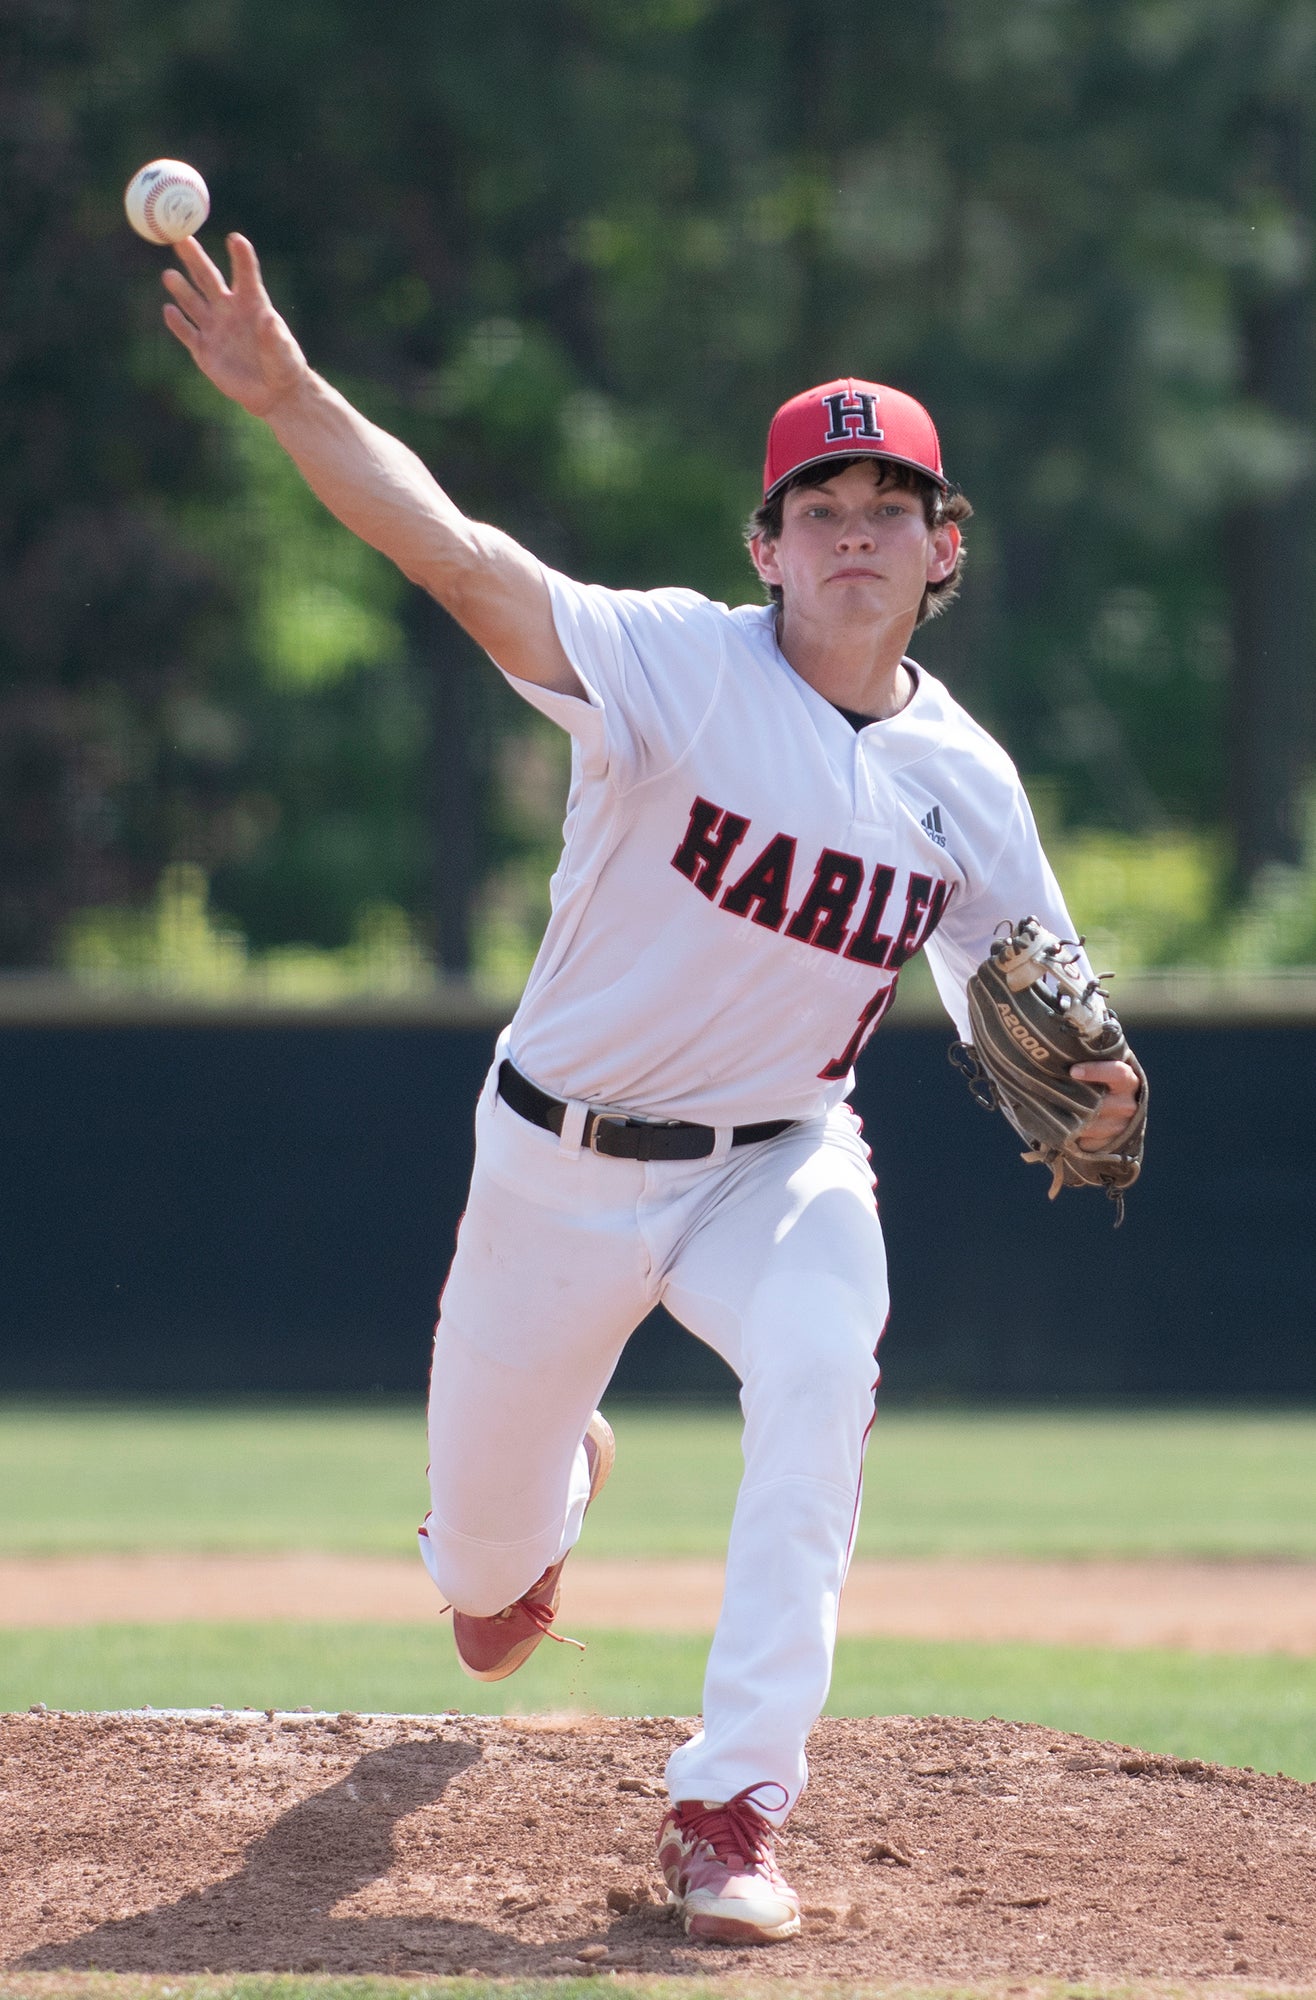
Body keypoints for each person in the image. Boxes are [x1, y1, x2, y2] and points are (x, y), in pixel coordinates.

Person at [162, 234, 1143, 1947]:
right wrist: (293, 396)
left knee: (826, 1364)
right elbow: (458, 560)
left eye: (890, 504)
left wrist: (1110, 1095)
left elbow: (1043, 999)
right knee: (478, 1603)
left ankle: (730, 1803)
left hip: (778, 1165)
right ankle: (547, 1512)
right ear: (764, 545)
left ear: (944, 549)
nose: (855, 530)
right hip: (554, 1159)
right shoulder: (673, 665)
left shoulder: (966, 782)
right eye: (820, 504)